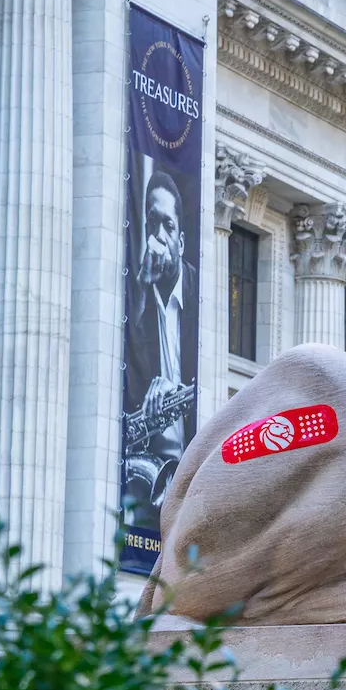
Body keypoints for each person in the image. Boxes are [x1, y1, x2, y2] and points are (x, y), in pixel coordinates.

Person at [122, 166, 193, 525]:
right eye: (153, 224)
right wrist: (142, 285)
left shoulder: (198, 294)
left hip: (191, 483)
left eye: (169, 226)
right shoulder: (135, 297)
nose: (160, 236)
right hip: (145, 477)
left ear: (180, 241)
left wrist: (177, 392)